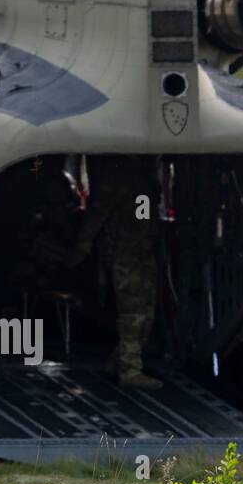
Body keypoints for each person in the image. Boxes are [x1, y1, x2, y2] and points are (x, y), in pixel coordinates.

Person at [72, 156, 162, 390]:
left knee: (146, 311)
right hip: (126, 253)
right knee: (133, 312)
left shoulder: (145, 178)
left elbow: (144, 213)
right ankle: (130, 369)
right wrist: (84, 243)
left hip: (143, 250)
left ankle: (120, 360)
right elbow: (100, 211)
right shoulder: (121, 175)